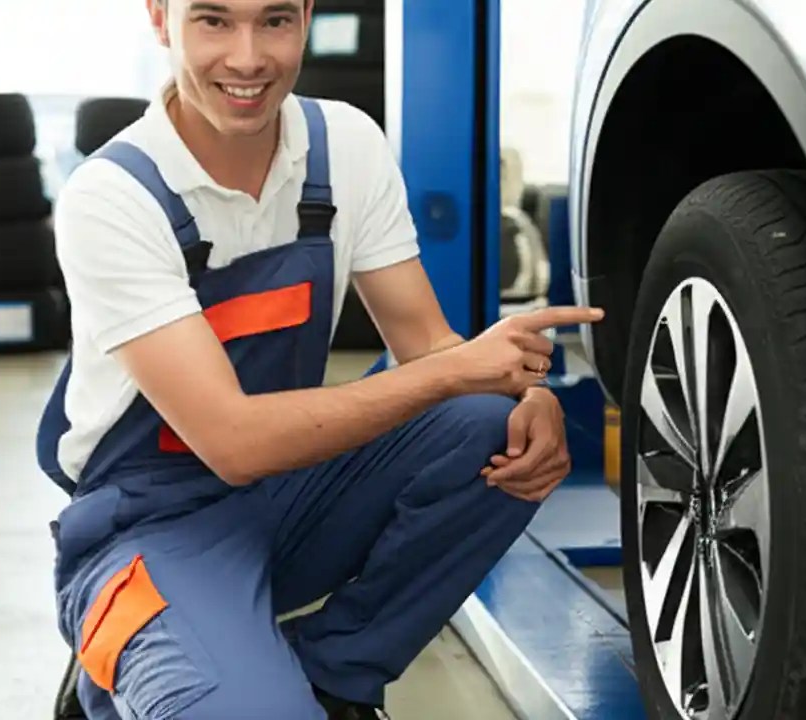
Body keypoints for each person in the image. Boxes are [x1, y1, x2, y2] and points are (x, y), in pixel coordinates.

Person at [34, 1, 604, 718]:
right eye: (214, 21)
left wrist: (527, 398)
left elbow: (427, 345)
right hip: (152, 526)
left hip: (293, 494)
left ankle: (335, 678)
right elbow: (235, 442)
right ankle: (134, 659)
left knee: (488, 421)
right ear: (160, 18)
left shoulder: (343, 145)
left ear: (305, 16)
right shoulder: (115, 197)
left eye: (275, 20)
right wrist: (465, 367)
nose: (248, 59)